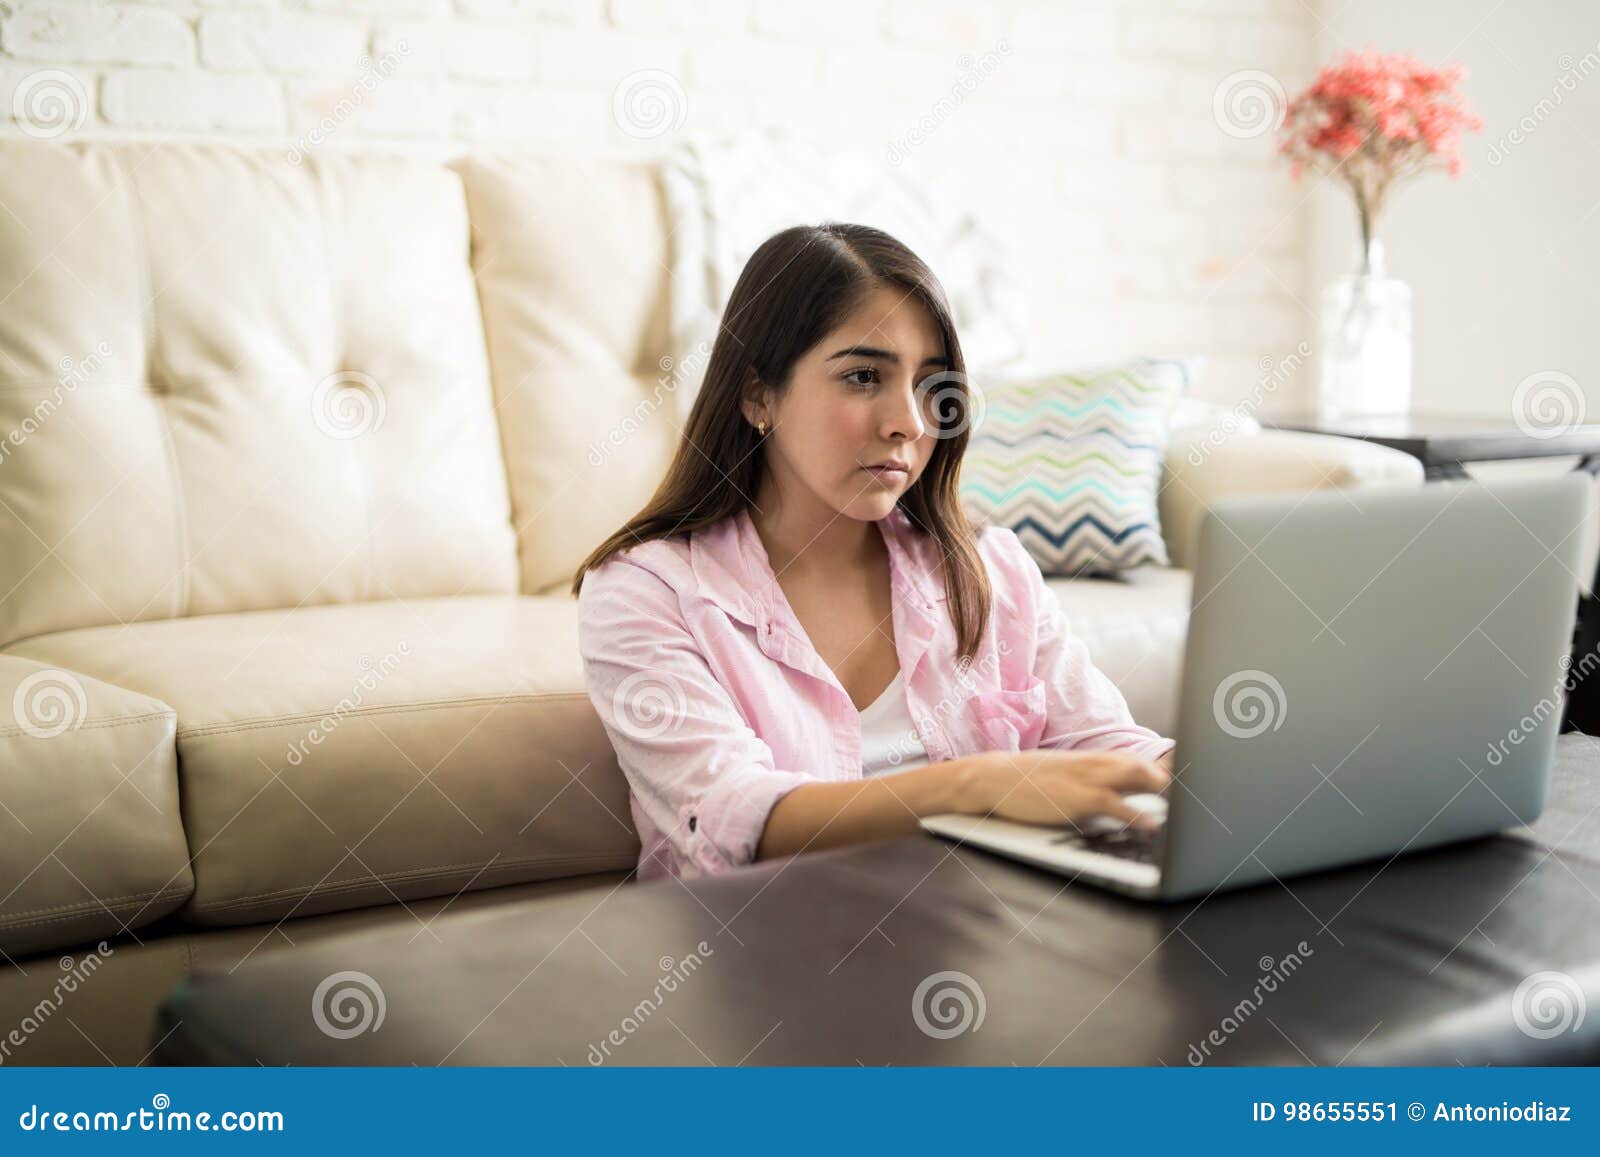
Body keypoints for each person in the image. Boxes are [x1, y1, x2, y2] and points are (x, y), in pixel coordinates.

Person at [573, 222, 1174, 881]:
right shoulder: (644, 590)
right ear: (757, 395)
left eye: (929, 385)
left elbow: (1110, 750)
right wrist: (979, 787)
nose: (910, 423)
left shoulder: (988, 567)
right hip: (762, 957)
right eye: (864, 376)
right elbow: (733, 816)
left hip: (977, 942)